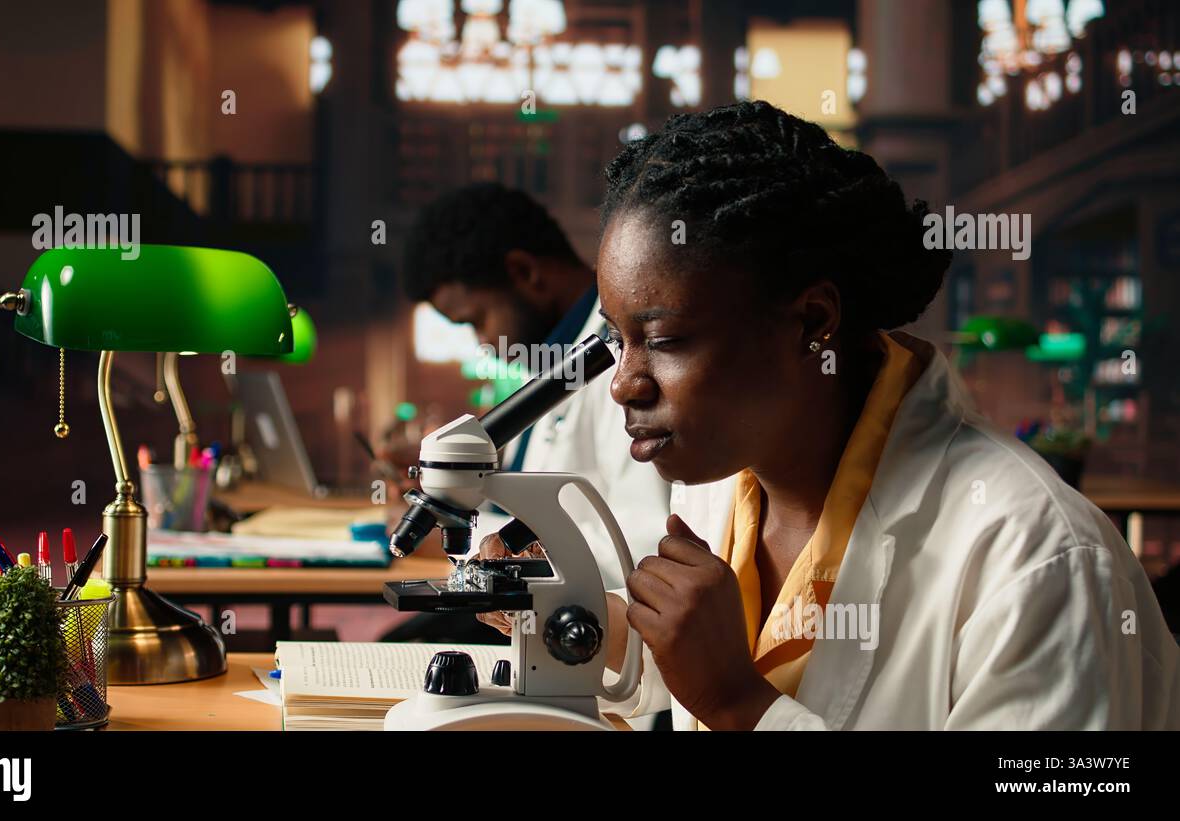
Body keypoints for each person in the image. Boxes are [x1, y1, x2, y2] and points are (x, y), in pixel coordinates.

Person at [495, 100, 1179, 729]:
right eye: (618, 338)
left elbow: (727, 688)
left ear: (812, 322)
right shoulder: (718, 488)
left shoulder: (1038, 558)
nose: (622, 385)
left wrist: (739, 703)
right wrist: (585, 616)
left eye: (666, 340)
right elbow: (692, 676)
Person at [385, 183, 672, 658]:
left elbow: (637, 544)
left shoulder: (618, 368)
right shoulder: (553, 367)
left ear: (524, 272)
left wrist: (464, 540)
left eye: (476, 319)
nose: (481, 342)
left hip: (596, 646)